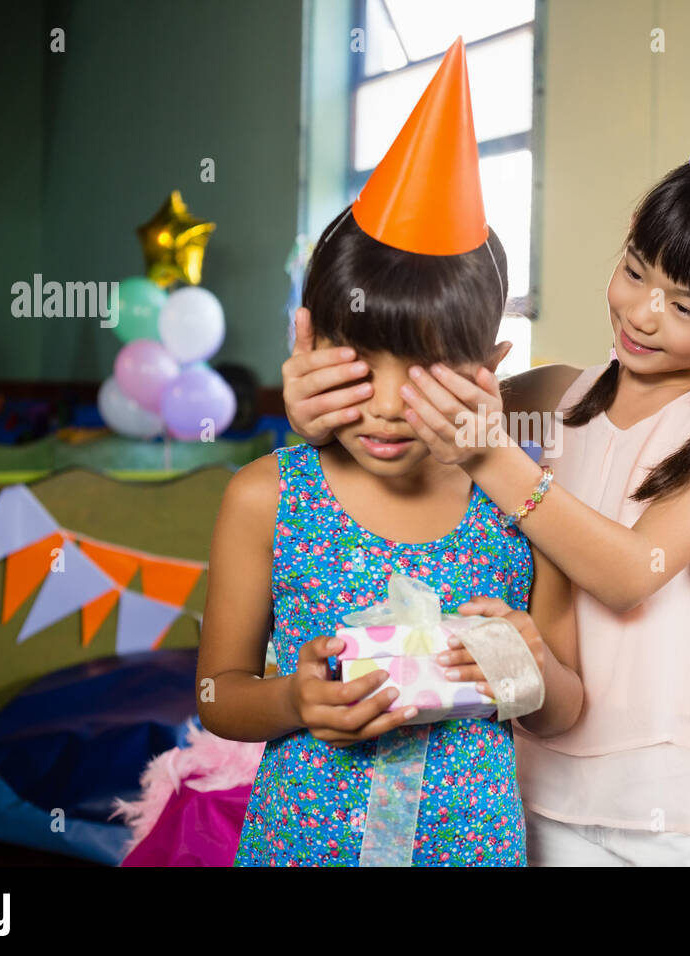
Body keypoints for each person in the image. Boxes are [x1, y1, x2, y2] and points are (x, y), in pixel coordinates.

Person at [281, 36, 690, 866]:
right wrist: (319, 415)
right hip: (543, 781)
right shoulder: (551, 398)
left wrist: (492, 457)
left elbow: (632, 571)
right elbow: (405, 445)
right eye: (635, 270)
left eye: (683, 304)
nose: (642, 313)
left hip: (688, 811)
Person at [198, 38, 581, 867]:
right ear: (306, 341)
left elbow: (567, 706)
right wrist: (295, 703)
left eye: (429, 372)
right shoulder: (266, 497)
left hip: (472, 849)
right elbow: (216, 696)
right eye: (357, 360)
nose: (382, 403)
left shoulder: (522, 501)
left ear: (490, 370)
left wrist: (522, 663)